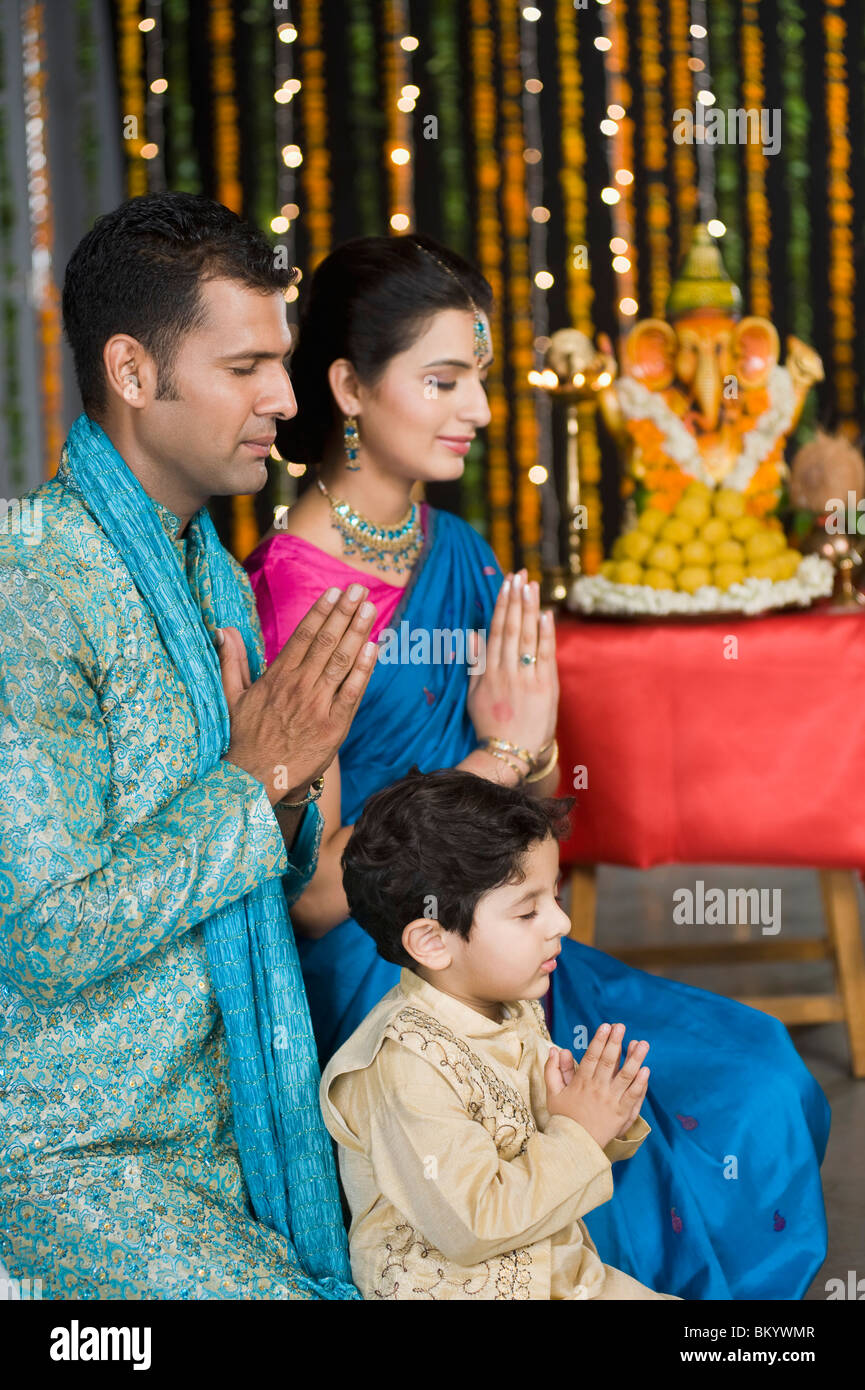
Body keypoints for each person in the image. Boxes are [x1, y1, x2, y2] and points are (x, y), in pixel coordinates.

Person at [243, 231, 831, 1301]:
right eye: (443, 380)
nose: (476, 408)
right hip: (404, 971)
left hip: (504, 943)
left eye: (480, 379)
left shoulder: (457, 551)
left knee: (752, 1072)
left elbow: (520, 783)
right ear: (347, 387)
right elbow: (315, 890)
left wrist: (533, 742)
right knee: (628, 1152)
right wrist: (505, 748)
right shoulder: (297, 597)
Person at [0, 192, 379, 1299]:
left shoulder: (203, 566)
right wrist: (258, 772)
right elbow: (42, 931)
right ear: (131, 372)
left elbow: (266, 855)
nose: (285, 398)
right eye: (246, 366)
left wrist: (294, 778)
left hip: (231, 1126)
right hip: (76, 1151)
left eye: (285, 362)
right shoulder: (32, 588)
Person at [321, 766, 680, 1301]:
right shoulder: (402, 1067)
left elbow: (544, 1152)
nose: (561, 924)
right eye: (528, 911)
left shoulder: (511, 1008)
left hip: (557, 1272)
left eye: (553, 898)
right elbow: (474, 1226)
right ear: (433, 942)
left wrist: (598, 1114)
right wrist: (580, 1132)